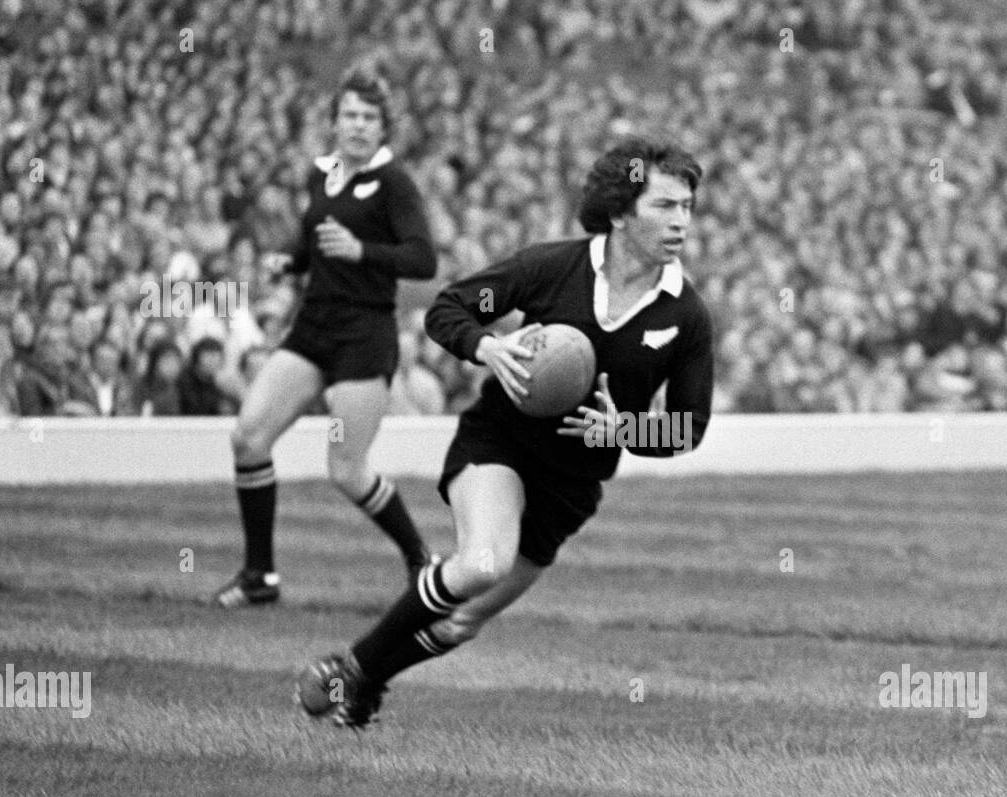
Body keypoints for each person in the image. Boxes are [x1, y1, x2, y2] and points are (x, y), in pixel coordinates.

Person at [296, 136, 715, 729]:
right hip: (500, 445)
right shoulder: (549, 268)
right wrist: (489, 347)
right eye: (665, 205)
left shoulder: (686, 316)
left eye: (687, 207)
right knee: (483, 562)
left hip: (572, 486)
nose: (681, 221)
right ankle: (351, 666)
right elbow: (449, 309)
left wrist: (624, 429)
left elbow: (690, 428)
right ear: (622, 210)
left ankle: (365, 687)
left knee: (462, 621)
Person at [212, 69, 437, 608]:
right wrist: (289, 260)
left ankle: (421, 561)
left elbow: (423, 259)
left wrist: (363, 251)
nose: (358, 126)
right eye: (350, 115)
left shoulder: (395, 183)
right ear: (334, 122)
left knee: (345, 468)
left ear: (384, 127)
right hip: (314, 326)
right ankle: (260, 575)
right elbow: (315, 240)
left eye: (369, 117)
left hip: (365, 333)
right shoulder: (322, 173)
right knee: (248, 437)